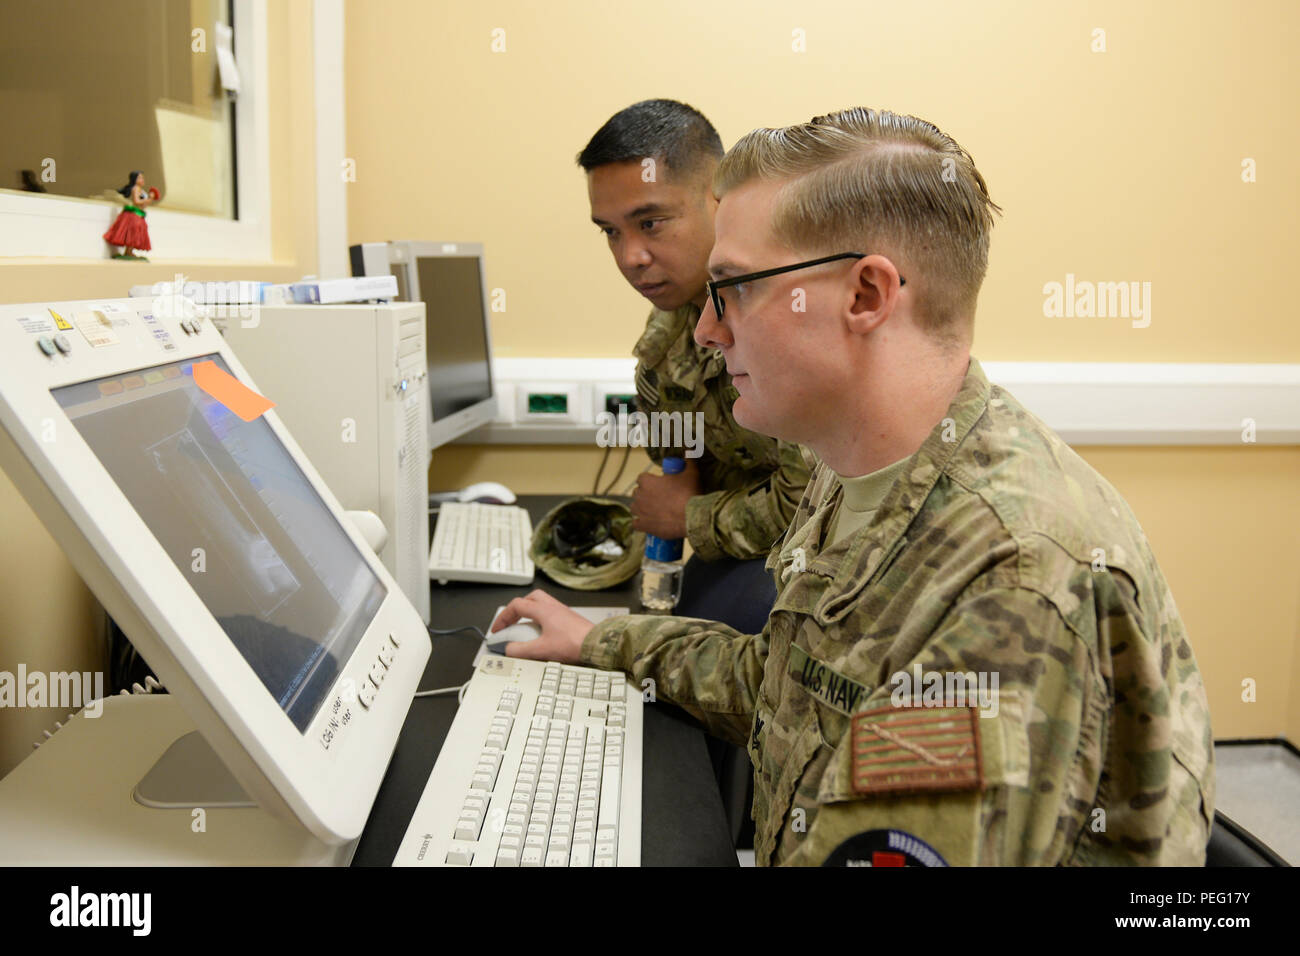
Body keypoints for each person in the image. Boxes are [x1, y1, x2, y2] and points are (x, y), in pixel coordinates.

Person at [498, 107, 1215, 866]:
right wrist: (605, 639)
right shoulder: (857, 470)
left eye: (734, 288)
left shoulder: (1009, 579)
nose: (707, 331)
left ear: (867, 296)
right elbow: (787, 692)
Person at [578, 100, 810, 562]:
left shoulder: (793, 316)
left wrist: (688, 519)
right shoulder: (666, 335)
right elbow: (679, 466)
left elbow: (815, 505)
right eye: (610, 232)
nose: (630, 257)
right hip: (740, 558)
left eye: (650, 223)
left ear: (719, 200)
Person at [103, 171, 155, 260]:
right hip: (133, 215)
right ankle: (128, 252)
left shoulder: (141, 190)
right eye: (140, 178)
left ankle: (129, 251)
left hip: (139, 214)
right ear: (134, 179)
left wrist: (150, 198)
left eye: (142, 178)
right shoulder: (135, 189)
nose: (142, 180)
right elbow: (137, 201)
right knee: (132, 233)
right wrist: (148, 199)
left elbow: (143, 204)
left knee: (136, 233)